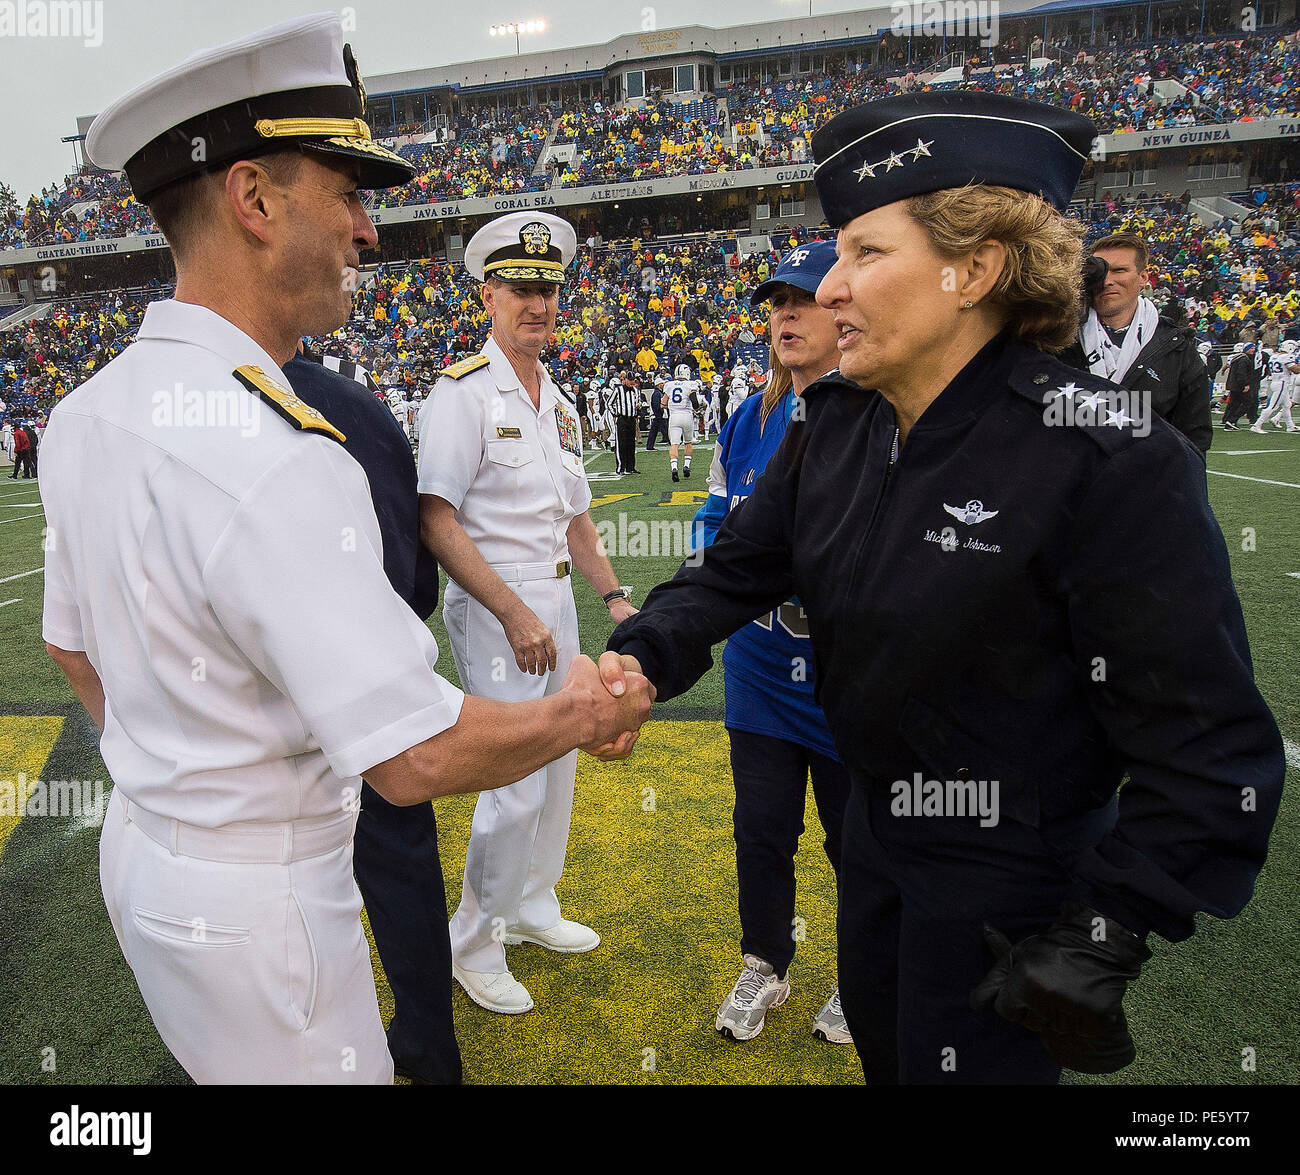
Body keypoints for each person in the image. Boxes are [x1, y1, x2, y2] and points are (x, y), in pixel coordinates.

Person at [607, 91, 1284, 1085]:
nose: (830, 287)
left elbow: (1213, 755)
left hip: (1009, 893)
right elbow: (737, 567)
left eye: (865, 252)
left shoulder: (1108, 457)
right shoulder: (837, 421)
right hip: (875, 845)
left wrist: (1104, 929)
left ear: (977, 267)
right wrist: (640, 654)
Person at [40, 15, 651, 1085]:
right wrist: (583, 714)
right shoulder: (278, 449)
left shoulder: (89, 411)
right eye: (351, 195)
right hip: (262, 906)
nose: (369, 233)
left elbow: (73, 652)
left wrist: (189, 775)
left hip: (150, 863)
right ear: (254, 200)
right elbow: (412, 756)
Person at [417, 211, 640, 1016]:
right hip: (497, 606)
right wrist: (512, 613)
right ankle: (472, 942)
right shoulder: (463, 394)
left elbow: (576, 518)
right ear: (488, 293)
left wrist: (613, 594)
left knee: (562, 758)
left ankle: (532, 905)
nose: (537, 302)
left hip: (555, 601)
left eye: (547, 288)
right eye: (520, 287)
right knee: (511, 777)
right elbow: (435, 517)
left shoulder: (559, 398)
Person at [284, 344, 459, 1084]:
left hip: (254, 718)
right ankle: (429, 1044)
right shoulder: (358, 408)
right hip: (368, 686)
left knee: (275, 888)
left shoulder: (154, 403)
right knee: (401, 868)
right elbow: (414, 573)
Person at [692, 240, 852, 1046]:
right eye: (775, 302)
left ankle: (862, 972)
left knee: (856, 836)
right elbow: (716, 524)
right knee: (761, 828)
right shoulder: (749, 417)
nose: (784, 314)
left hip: (844, 669)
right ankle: (766, 959)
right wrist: (719, 565)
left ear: (844, 307)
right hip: (758, 661)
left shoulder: (876, 409)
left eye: (803, 298)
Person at [1061, 233, 1211, 454]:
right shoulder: (1058, 337)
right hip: (1068, 479)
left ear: (1143, 277)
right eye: (1099, 271)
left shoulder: (1177, 347)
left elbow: (1195, 438)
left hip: (1145, 481)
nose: (1106, 280)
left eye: (1119, 270)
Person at [664, 362, 703, 482]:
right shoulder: (691, 384)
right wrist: (697, 409)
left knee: (674, 444)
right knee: (688, 442)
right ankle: (686, 466)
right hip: (687, 415)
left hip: (674, 416)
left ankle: (674, 468)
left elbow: (663, 402)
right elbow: (694, 400)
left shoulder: (669, 385)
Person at [1250, 340, 1300, 432]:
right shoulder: (1287, 357)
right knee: (1272, 406)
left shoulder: (1274, 356)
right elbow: (1295, 370)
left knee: (1287, 405)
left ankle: (1290, 426)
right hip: (1282, 383)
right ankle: (1257, 425)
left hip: (1276, 382)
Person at [1223, 341, 1264, 430]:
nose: (1253, 350)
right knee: (1248, 402)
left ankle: (1228, 422)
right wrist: (1245, 384)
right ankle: (1231, 420)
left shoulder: (1239, 357)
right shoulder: (1244, 359)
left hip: (1234, 385)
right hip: (1239, 386)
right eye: (1251, 348)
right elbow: (1241, 373)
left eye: (1254, 348)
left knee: (1234, 404)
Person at [608, 372, 641, 474]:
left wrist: (638, 409)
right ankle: (620, 468)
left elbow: (638, 403)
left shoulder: (636, 390)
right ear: (625, 380)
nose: (632, 382)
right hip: (622, 419)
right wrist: (615, 414)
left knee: (631, 443)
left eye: (633, 380)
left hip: (632, 419)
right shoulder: (618, 390)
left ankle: (630, 467)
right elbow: (609, 403)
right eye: (630, 380)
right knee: (621, 444)